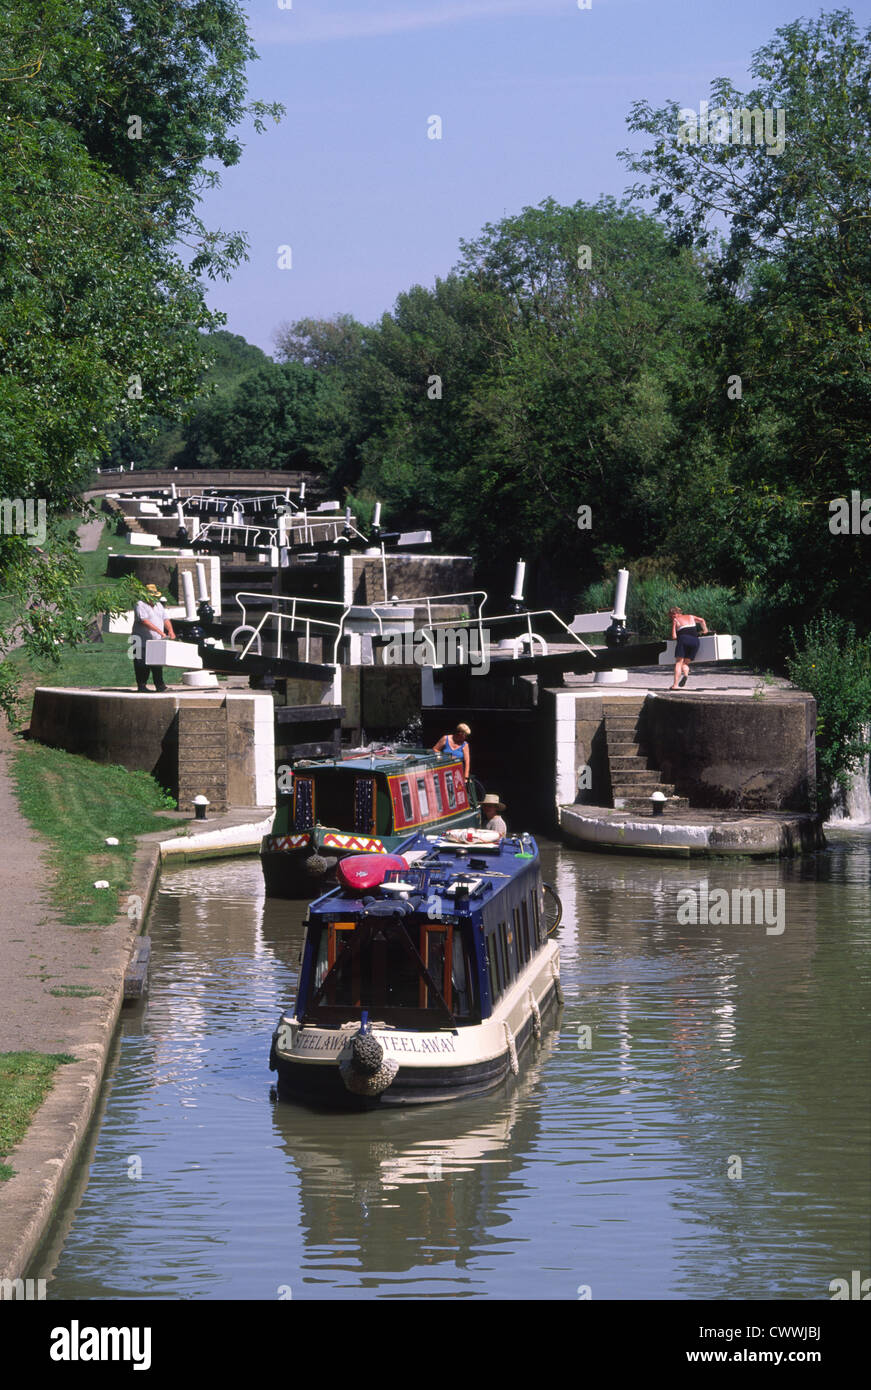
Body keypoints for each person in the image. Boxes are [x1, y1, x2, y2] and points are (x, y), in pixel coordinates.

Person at [132, 583, 176, 692]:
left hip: (155, 641)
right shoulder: (140, 604)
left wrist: (170, 630)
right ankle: (142, 686)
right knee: (141, 664)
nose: (154, 599)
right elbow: (144, 620)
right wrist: (160, 631)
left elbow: (165, 619)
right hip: (140, 640)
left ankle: (160, 686)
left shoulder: (159, 605)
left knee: (157, 664)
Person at [668, 606, 708, 689]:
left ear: (675, 614)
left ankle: (675, 685)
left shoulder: (676, 620)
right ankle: (685, 674)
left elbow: (674, 636)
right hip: (695, 641)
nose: (671, 617)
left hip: (684, 640)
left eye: (671, 615)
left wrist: (674, 625)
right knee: (685, 663)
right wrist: (705, 630)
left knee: (679, 662)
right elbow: (702, 620)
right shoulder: (691, 616)